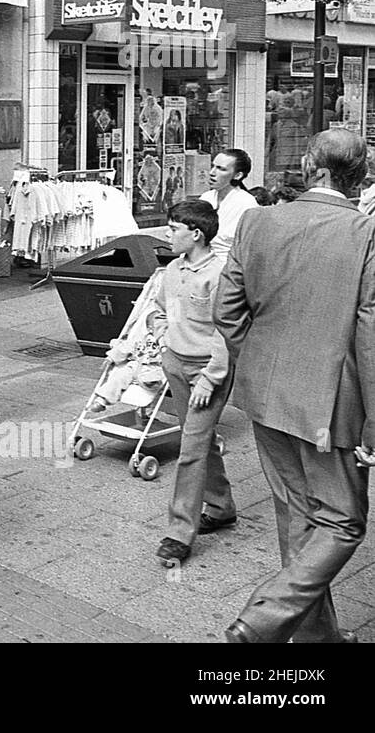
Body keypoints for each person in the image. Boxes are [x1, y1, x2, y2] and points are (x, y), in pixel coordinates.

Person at [216, 129, 375, 643]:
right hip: (331, 403)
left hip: (265, 394)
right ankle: (261, 621)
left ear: (311, 165)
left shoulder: (257, 220)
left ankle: (317, 639)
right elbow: (372, 333)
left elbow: (226, 310)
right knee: (343, 521)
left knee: (300, 514)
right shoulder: (366, 234)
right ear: (359, 176)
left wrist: (260, 360)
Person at [149, 201, 234, 568]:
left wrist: (210, 378)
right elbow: (158, 309)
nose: (168, 235)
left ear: (195, 234)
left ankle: (179, 533)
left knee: (191, 448)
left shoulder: (219, 275)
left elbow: (227, 331)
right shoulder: (172, 270)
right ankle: (221, 507)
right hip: (176, 364)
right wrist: (162, 333)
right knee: (198, 440)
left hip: (206, 372)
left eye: (173, 229)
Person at [199, 149, 256, 259]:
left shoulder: (247, 204)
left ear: (237, 175)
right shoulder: (206, 197)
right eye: (213, 166)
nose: (212, 173)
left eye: (221, 169)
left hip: (226, 264)